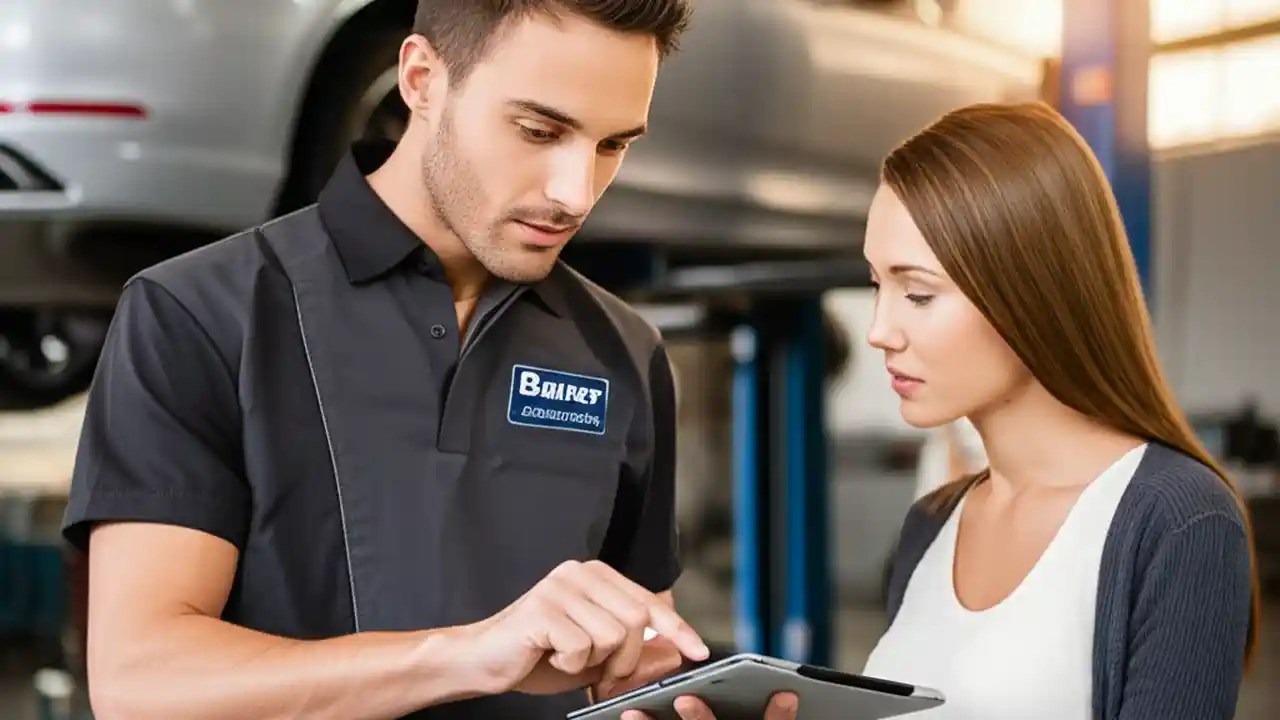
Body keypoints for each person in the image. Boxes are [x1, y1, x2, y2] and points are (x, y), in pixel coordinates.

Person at [59, 2, 795, 718]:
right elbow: (140, 681)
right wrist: (468, 656)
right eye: (539, 129)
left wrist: (668, 702)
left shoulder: (624, 350)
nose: (575, 193)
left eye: (613, 145)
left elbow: (631, 656)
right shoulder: (199, 313)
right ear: (421, 79)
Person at [860, 102, 1259, 719]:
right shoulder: (930, 525)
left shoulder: (1179, 522)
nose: (879, 330)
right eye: (875, 285)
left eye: (916, 292)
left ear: (1028, 290)